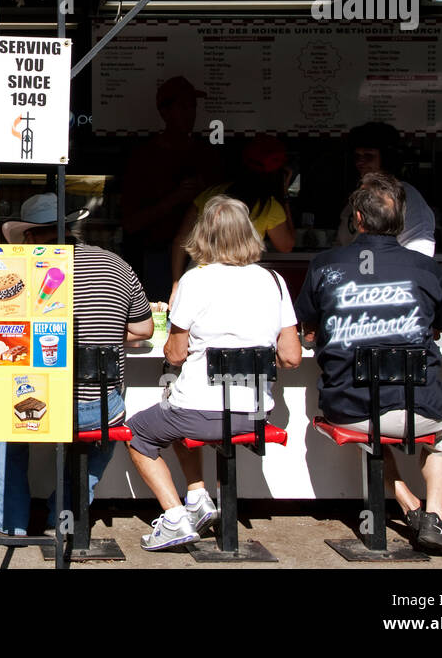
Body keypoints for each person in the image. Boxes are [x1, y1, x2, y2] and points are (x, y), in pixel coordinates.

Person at [294, 173, 442, 555]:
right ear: (401, 222)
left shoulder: (325, 263)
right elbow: (441, 325)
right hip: (419, 411)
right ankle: (434, 516)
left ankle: (411, 506)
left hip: (347, 409)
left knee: (369, 419)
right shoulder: (426, 268)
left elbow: (306, 322)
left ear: (356, 218)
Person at [125, 196, 302, 549]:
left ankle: (175, 518)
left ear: (202, 235)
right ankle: (197, 498)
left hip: (198, 413)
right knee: (173, 408)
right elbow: (292, 357)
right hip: (253, 415)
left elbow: (174, 355)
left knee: (139, 431)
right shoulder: (274, 281)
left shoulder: (195, 280)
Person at [0, 193, 153, 538]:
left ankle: (10, 524)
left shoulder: (23, 272)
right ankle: (62, 518)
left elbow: (13, 338)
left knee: (4, 423)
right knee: (107, 425)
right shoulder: (116, 264)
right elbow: (144, 328)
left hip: (38, 404)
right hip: (100, 406)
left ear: (32, 236)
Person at [120, 76, 221, 304]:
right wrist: (175, 199)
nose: (191, 113)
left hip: (206, 255)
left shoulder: (206, 153)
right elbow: (131, 222)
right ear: (164, 112)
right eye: (183, 106)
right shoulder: (144, 158)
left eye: (193, 106)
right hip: (158, 257)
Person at [170, 135, 295, 291]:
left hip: (200, 277)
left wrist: (176, 283)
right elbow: (286, 246)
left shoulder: (210, 195)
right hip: (240, 282)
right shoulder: (269, 207)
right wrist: (284, 195)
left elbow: (180, 240)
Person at [335, 122, 435, 256]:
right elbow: (340, 246)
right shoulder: (356, 198)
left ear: (387, 157)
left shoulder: (407, 197)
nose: (360, 162)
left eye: (368, 156)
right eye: (357, 156)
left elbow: (420, 254)